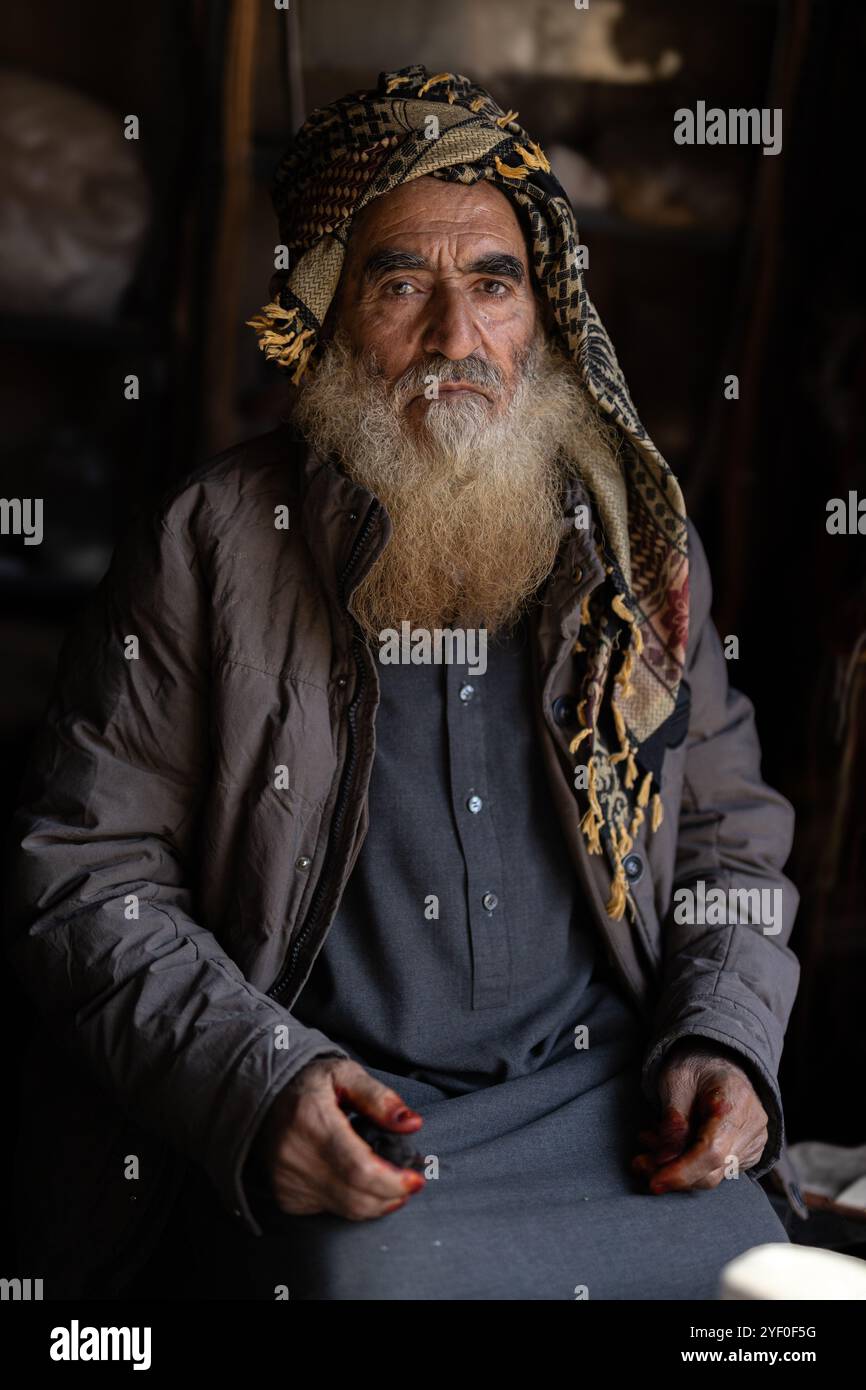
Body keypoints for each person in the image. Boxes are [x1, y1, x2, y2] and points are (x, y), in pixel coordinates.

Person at [6, 65, 800, 1300]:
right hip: (353, 1125)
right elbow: (86, 878)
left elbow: (725, 842)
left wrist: (723, 1038)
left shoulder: (634, 550)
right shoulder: (206, 544)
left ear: (538, 312)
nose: (453, 339)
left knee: (757, 1293)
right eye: (397, 285)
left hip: (615, 1110)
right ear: (325, 310)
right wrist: (257, 1083)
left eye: (492, 284)